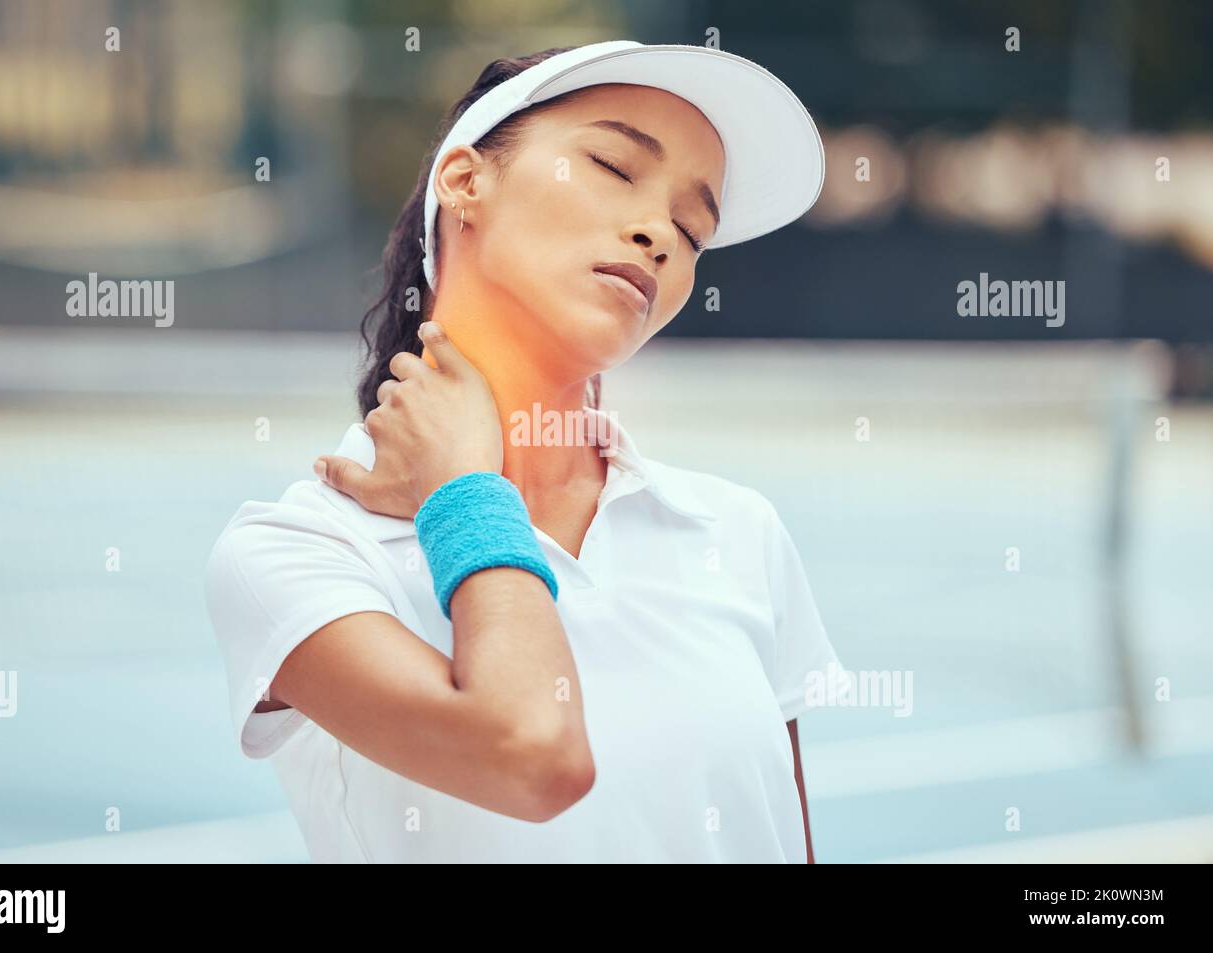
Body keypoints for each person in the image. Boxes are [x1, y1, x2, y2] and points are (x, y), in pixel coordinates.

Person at [205, 40, 849, 863]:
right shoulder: (302, 553)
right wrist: (469, 496)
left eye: (694, 228)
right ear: (466, 179)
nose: (660, 234)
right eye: (615, 166)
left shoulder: (736, 530)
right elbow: (533, 758)